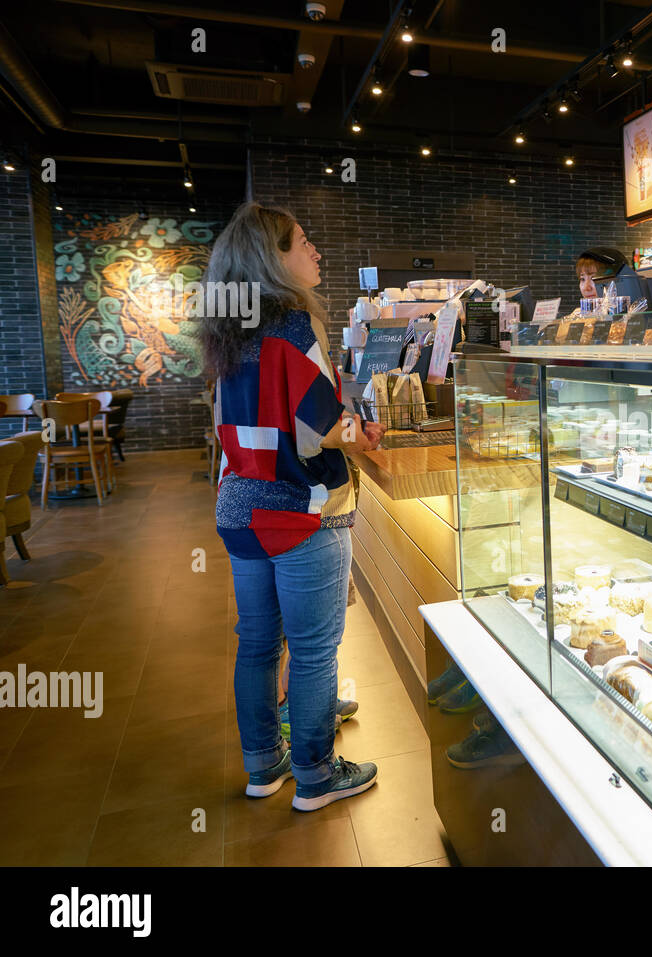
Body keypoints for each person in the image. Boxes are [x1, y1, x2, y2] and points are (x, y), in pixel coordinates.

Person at [200, 201, 384, 812]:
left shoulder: (230, 333)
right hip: (301, 510)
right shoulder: (292, 326)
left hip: (240, 508)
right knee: (312, 651)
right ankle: (316, 773)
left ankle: (264, 767)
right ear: (271, 258)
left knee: (256, 644)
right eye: (303, 241)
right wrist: (362, 431)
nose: (316, 252)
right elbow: (321, 425)